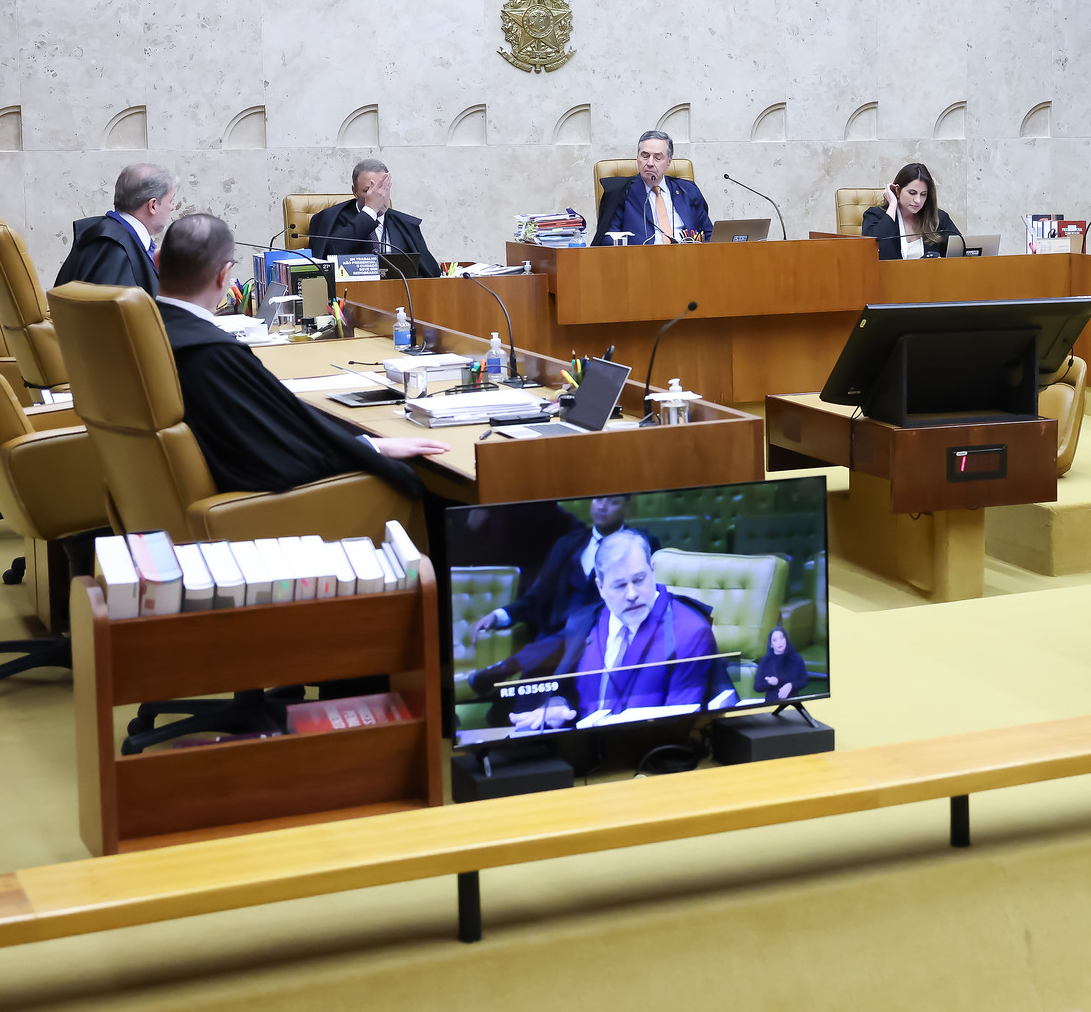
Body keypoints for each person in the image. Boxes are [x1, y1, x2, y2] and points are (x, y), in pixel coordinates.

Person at [154, 214, 443, 499]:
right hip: (266, 505)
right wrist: (372, 447)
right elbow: (280, 448)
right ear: (223, 275)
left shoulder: (145, 331)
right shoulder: (213, 352)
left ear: (157, 262)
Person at [497, 532, 739, 731]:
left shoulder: (690, 631)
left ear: (652, 570)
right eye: (620, 585)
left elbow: (678, 726)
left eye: (640, 579)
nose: (632, 594)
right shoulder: (584, 624)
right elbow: (571, 694)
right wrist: (559, 706)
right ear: (601, 587)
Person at [471, 494, 652, 642]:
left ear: (627, 508)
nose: (602, 507)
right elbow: (537, 596)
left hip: (609, 637)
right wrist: (499, 615)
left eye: (613, 502)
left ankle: (496, 673)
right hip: (558, 635)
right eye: (598, 500)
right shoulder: (567, 544)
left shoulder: (641, 543)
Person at [54, 163, 175, 298]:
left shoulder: (109, 235)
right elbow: (116, 315)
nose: (172, 207)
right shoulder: (114, 250)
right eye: (170, 200)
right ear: (152, 205)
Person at [306, 158, 442, 277]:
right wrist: (369, 213)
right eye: (368, 191)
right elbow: (326, 258)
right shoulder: (329, 219)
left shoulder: (405, 225)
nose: (378, 196)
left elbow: (431, 272)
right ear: (355, 192)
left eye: (383, 189)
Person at [591, 131, 714, 246]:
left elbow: (709, 234)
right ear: (637, 158)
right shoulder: (620, 193)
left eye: (657, 158)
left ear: (669, 161)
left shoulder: (687, 191)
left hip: (687, 261)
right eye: (645, 156)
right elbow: (607, 240)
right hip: (640, 263)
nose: (650, 163)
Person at [859, 162, 961, 260]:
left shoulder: (938, 218)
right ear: (897, 190)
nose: (918, 200)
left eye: (923, 194)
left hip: (929, 277)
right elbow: (872, 248)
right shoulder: (875, 215)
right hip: (888, 277)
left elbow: (960, 251)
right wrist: (893, 204)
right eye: (912, 193)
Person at [753, 625, 808, 703]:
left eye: (782, 638)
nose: (779, 642)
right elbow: (757, 687)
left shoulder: (796, 657)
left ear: (786, 639)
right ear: (771, 645)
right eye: (775, 640)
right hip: (771, 704)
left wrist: (791, 685)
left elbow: (804, 681)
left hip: (792, 703)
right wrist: (769, 683)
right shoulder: (765, 660)